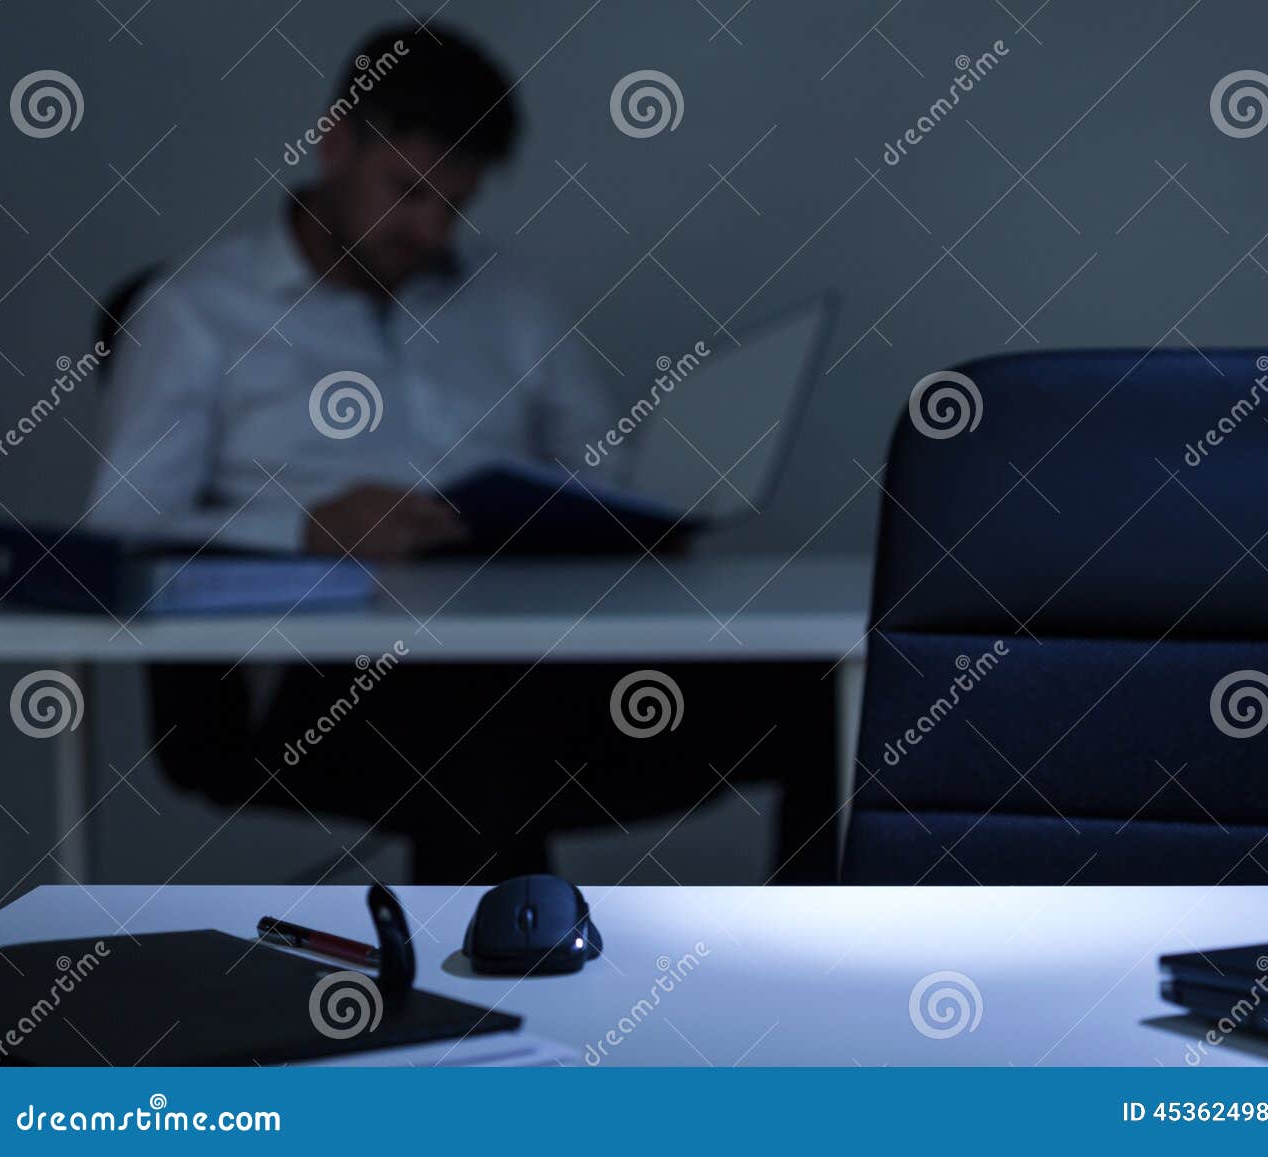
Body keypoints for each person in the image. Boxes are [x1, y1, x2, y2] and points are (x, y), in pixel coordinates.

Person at [85, 23, 836, 882]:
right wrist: (303, 528)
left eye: (455, 204)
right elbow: (120, 525)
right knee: (481, 739)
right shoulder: (194, 312)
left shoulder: (511, 299)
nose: (432, 231)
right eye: (405, 192)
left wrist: (639, 515)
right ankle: (495, 996)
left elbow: (601, 476)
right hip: (315, 682)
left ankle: (828, 981)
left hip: (531, 650)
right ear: (334, 146)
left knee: (824, 698)